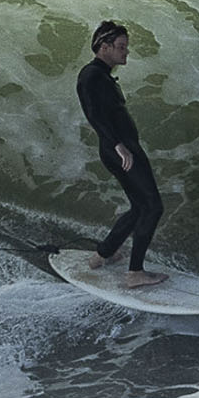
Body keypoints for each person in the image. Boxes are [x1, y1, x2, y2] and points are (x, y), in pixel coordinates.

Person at [74, 20, 166, 287]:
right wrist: (118, 144)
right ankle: (135, 272)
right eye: (121, 47)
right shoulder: (90, 75)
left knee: (140, 207)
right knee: (153, 206)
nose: (126, 52)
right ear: (104, 47)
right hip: (120, 149)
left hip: (121, 148)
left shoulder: (101, 75)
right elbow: (93, 114)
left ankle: (102, 255)